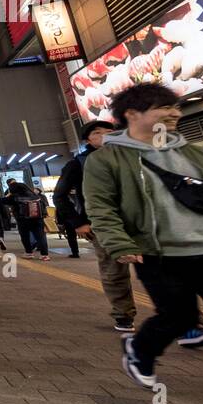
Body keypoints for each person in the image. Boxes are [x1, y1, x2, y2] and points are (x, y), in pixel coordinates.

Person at [84, 84, 203, 389]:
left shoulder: (190, 151)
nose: (174, 114)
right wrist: (118, 242)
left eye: (175, 107)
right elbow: (101, 207)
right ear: (132, 114)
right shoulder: (106, 160)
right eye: (164, 108)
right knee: (178, 317)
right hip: (157, 253)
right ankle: (139, 352)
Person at [54, 119, 137, 330]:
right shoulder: (78, 163)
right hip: (101, 223)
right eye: (98, 133)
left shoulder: (132, 156)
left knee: (163, 271)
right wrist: (79, 223)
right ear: (87, 139)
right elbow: (60, 196)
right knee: (114, 270)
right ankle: (123, 314)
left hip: (139, 222)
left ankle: (182, 317)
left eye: (110, 132)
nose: (105, 136)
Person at [6, 180, 50, 260]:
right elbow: (43, 207)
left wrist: (9, 195)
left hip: (23, 220)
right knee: (41, 236)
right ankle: (44, 255)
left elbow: (3, 201)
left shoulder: (14, 197)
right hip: (37, 219)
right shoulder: (36, 196)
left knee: (25, 236)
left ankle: (29, 253)